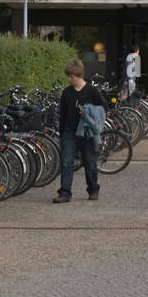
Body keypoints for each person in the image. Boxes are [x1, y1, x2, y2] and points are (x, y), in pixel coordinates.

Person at [54, 58, 107, 203]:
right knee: (66, 162)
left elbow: (103, 108)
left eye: (70, 76)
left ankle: (93, 190)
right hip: (69, 132)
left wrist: (89, 114)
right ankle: (65, 193)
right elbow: (62, 114)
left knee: (90, 163)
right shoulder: (67, 92)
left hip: (86, 132)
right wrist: (62, 132)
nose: (68, 78)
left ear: (77, 75)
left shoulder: (92, 91)